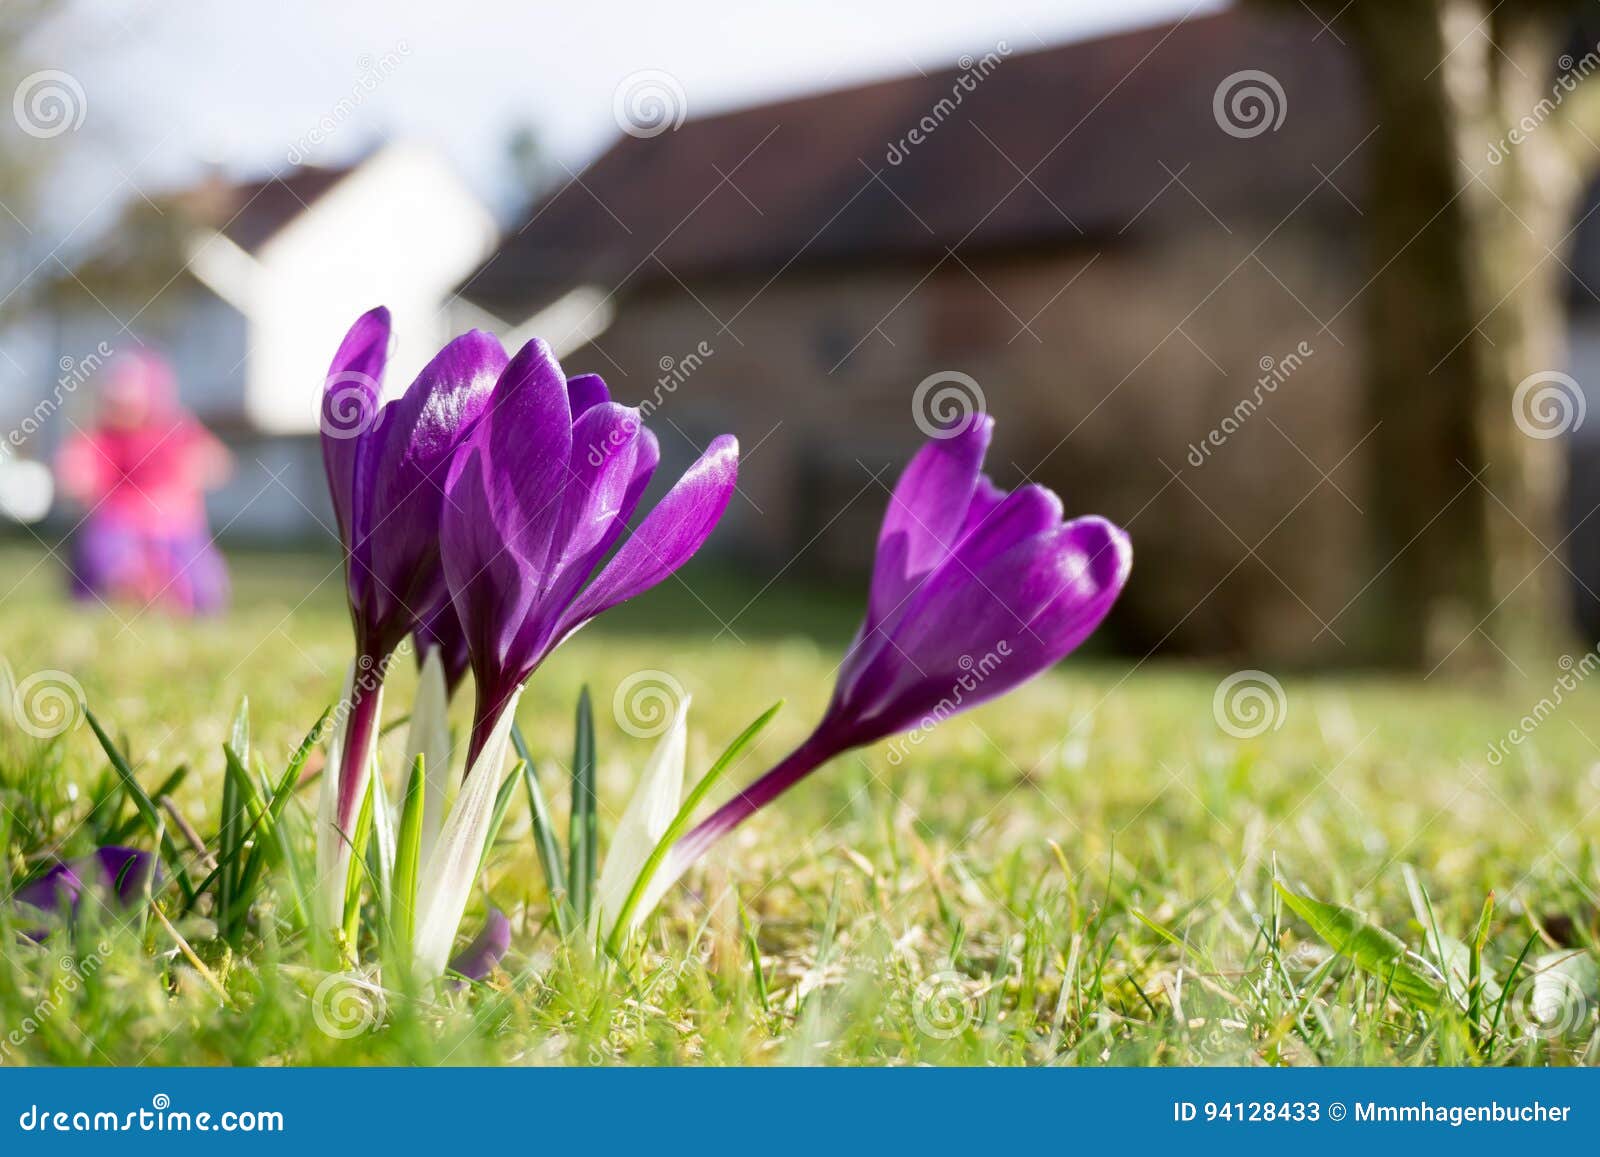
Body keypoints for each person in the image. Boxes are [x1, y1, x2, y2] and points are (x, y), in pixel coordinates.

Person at [55, 350, 232, 614]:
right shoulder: (104, 436)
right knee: (102, 552)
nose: (123, 409)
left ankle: (175, 596)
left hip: (175, 523)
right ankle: (125, 590)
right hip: (120, 521)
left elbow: (216, 462)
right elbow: (76, 465)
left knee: (202, 585)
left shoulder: (177, 430)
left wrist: (199, 466)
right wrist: (77, 474)